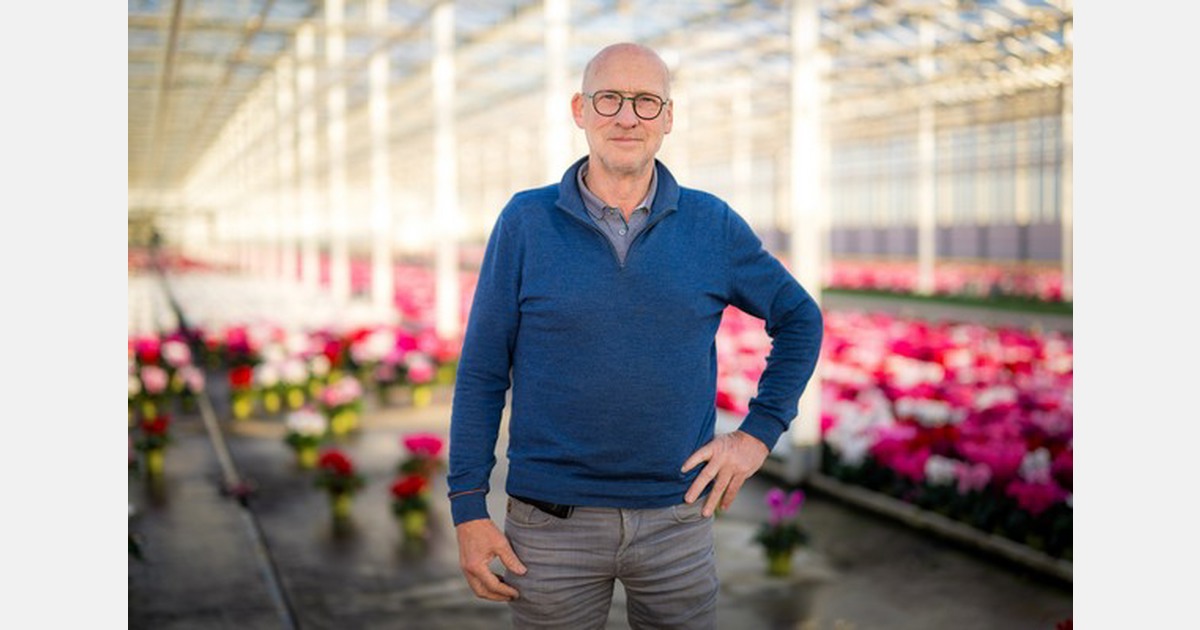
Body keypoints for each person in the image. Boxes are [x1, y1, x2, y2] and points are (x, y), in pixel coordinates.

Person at [448, 42, 824, 629]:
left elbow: (800, 318)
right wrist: (468, 507)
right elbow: (482, 371)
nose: (628, 116)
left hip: (677, 520)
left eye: (647, 101)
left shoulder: (711, 224)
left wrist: (757, 435)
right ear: (580, 110)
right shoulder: (525, 222)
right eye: (610, 99)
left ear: (668, 118)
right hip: (549, 526)